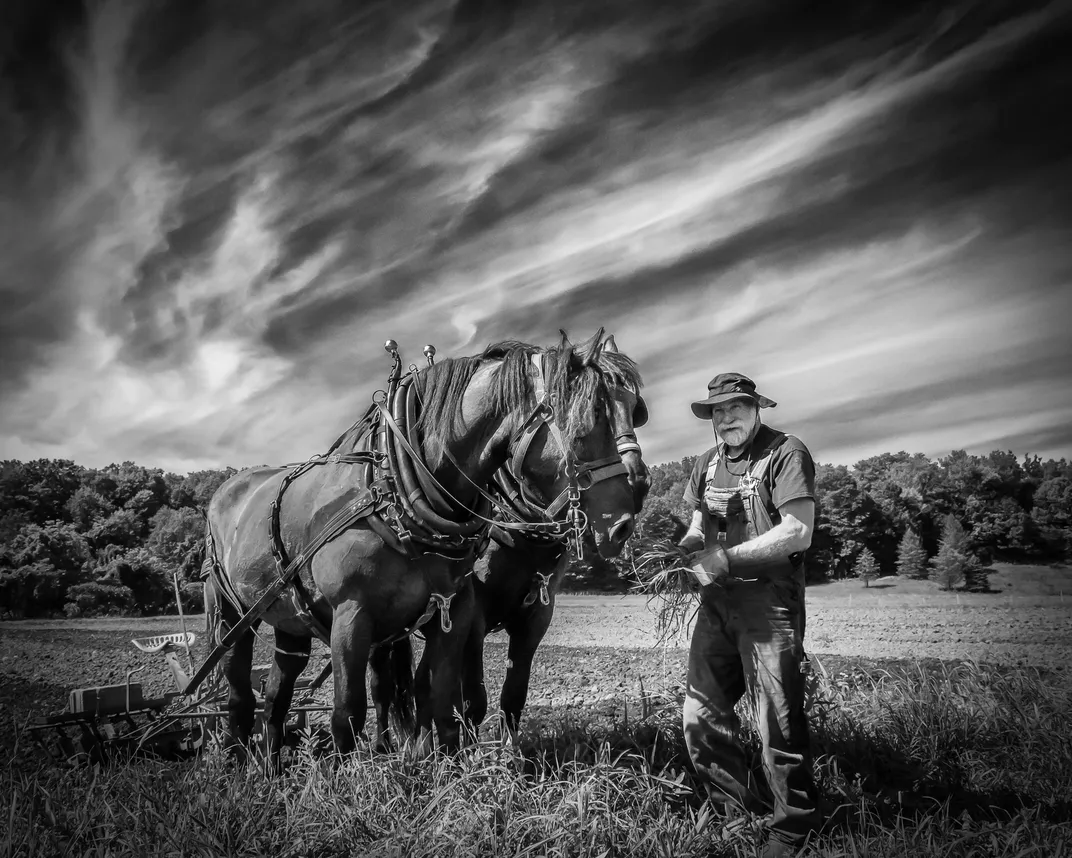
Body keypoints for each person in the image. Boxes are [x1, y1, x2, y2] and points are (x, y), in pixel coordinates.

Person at [678, 372, 820, 858]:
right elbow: (699, 523)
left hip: (769, 603)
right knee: (701, 713)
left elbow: (797, 531)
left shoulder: (785, 452)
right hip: (716, 603)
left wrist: (727, 559)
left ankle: (793, 827)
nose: (725, 417)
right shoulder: (706, 463)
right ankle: (735, 812)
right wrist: (682, 552)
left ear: (757, 408)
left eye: (735, 407)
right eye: (717, 410)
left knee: (776, 717)